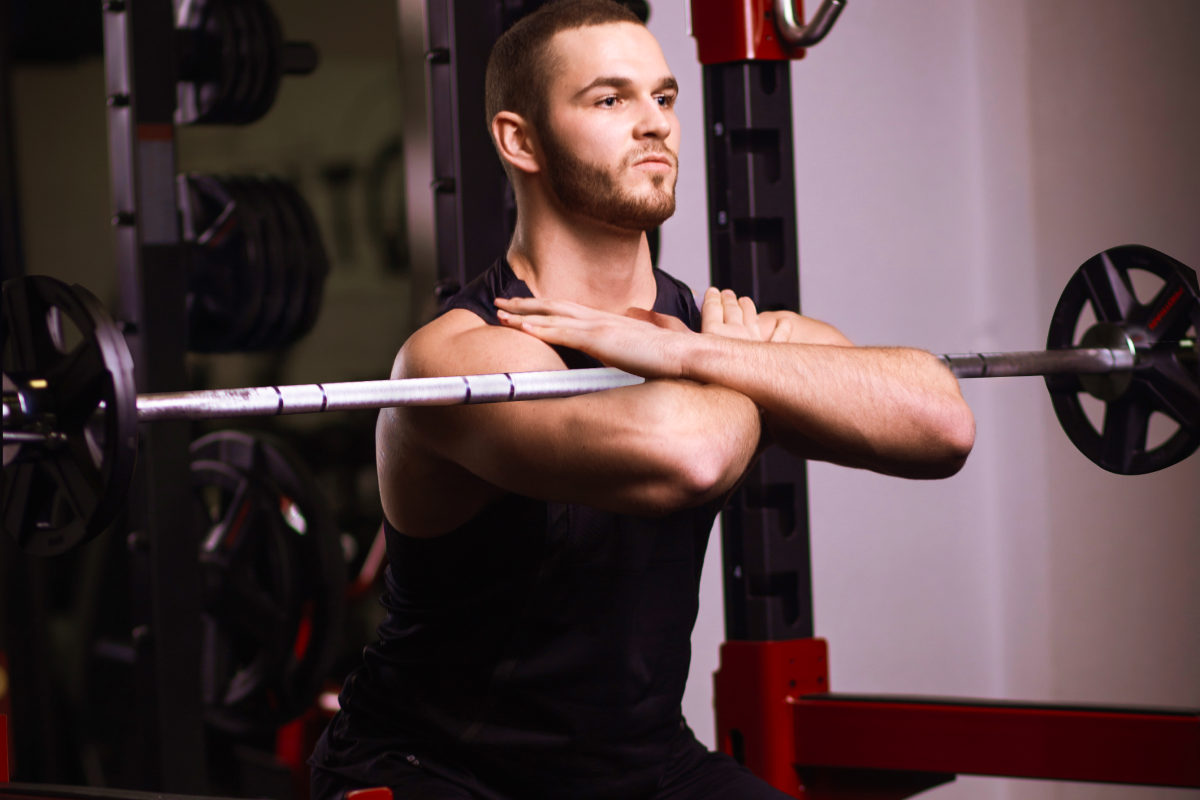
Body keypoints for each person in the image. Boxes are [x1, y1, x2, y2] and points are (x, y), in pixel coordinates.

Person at [309, 1, 975, 798]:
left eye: (663, 97)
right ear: (520, 140)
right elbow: (687, 455)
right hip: (439, 769)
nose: (654, 124)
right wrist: (746, 370)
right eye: (610, 99)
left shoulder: (709, 331)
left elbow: (942, 421)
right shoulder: (462, 356)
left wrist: (693, 349)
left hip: (642, 767)